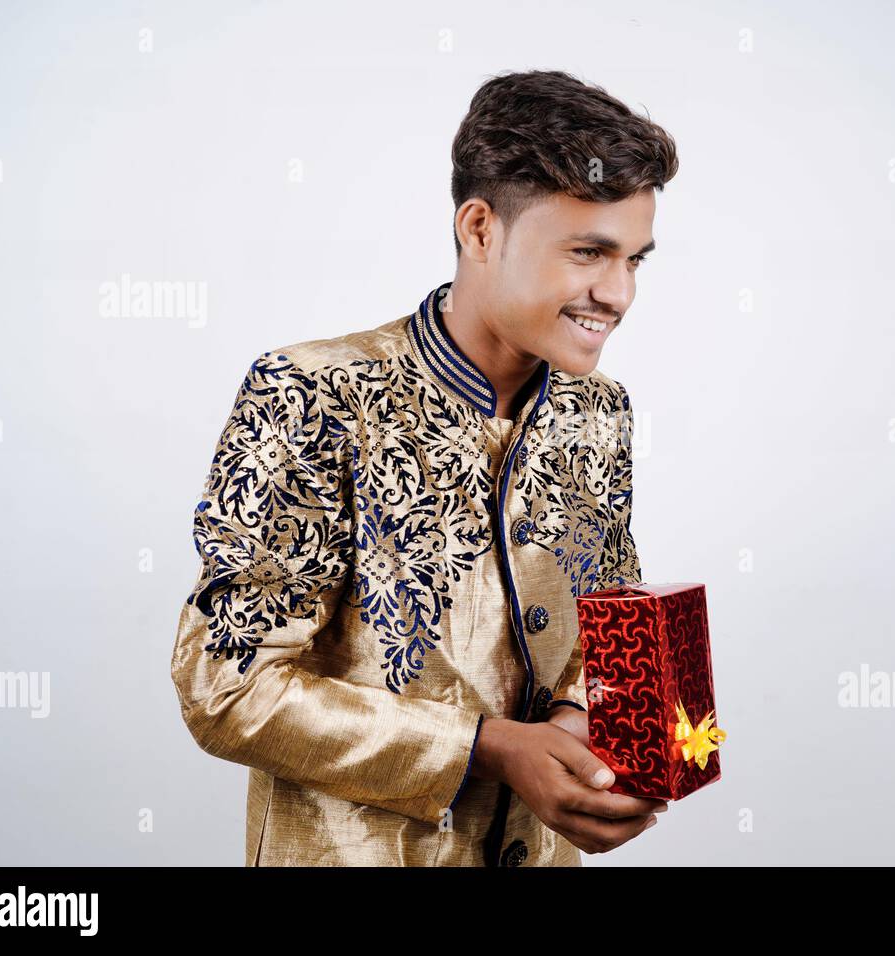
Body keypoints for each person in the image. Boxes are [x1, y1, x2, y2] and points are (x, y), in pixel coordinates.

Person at [169, 69, 679, 866]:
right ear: (480, 229)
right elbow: (228, 686)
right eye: (589, 252)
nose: (617, 293)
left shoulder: (598, 407)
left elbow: (612, 616)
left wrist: (588, 724)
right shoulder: (314, 392)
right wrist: (487, 746)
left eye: (636, 260)